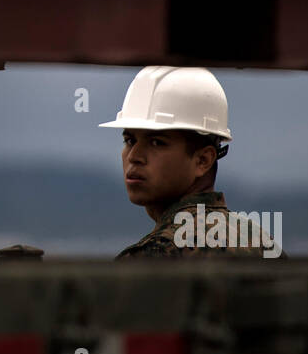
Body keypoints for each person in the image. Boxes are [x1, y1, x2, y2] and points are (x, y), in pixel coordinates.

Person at [101, 67, 285, 260]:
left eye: (157, 142)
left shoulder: (154, 256)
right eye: (130, 140)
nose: (134, 156)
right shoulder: (259, 242)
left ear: (203, 160)